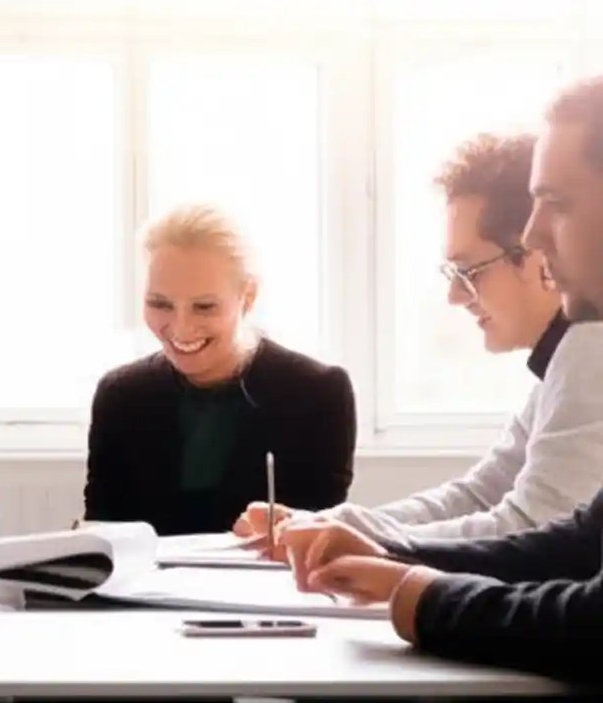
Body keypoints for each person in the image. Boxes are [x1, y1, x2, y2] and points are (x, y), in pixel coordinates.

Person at [275, 76, 603, 684]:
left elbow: (588, 611)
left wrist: (415, 591)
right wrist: (371, 542)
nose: (535, 235)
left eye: (556, 204)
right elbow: (574, 539)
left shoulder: (590, 347)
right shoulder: (570, 355)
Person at [235, 133, 603, 547]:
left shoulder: (590, 348)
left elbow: (530, 525)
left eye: (470, 271)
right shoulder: (564, 359)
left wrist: (362, 541)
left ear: (535, 253)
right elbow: (479, 495)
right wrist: (332, 525)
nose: (455, 296)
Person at [83, 204, 356, 535]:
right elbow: (105, 534)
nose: (181, 328)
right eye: (160, 304)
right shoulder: (120, 395)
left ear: (248, 296)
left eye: (205, 307)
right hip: (138, 587)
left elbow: (313, 542)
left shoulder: (318, 393)